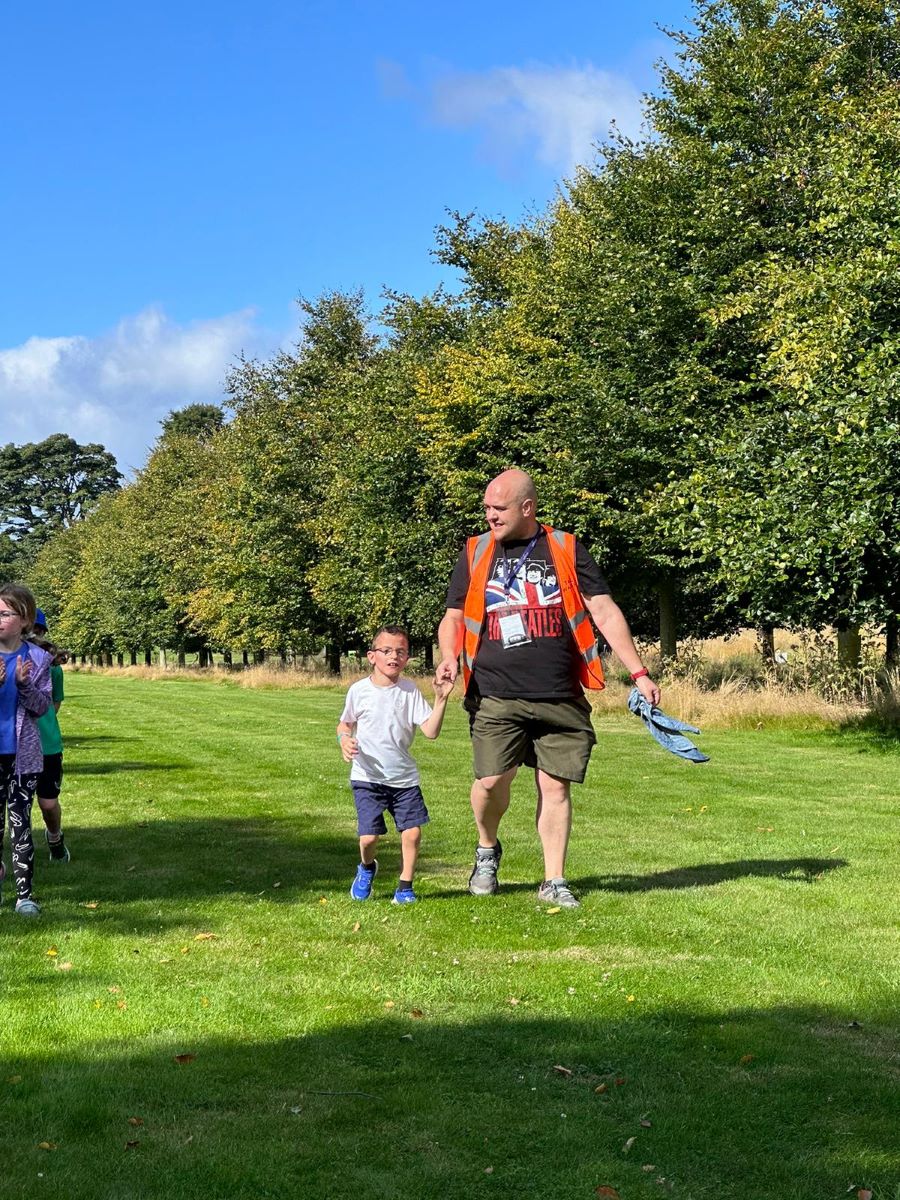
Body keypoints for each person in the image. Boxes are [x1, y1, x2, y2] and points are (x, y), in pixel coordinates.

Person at [436, 469, 660, 909]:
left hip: (560, 692)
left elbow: (604, 610)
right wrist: (449, 656)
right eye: (486, 508)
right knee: (489, 782)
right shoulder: (476, 550)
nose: (490, 516)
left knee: (555, 788)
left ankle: (553, 880)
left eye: (498, 509)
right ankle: (487, 849)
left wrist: (639, 672)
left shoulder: (566, 547)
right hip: (495, 692)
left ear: (527, 508)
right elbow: (454, 616)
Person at [337, 626, 452, 904]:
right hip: (367, 778)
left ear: (407, 657)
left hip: (403, 780)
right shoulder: (359, 690)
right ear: (371, 656)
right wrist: (344, 740)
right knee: (368, 839)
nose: (393, 657)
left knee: (412, 833)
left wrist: (441, 698)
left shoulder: (409, 691)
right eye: (386, 651)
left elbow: (431, 731)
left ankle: (405, 887)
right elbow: (345, 723)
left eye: (400, 652)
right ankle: (366, 868)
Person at [0, 583, 52, 916]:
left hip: (23, 758)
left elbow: (41, 707)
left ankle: (24, 896)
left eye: (4, 614)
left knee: (20, 824)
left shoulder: (38, 659)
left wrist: (23, 685)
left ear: (24, 619)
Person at [31, 610, 70, 864]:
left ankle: (55, 837)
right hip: (14, 745)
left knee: (47, 804)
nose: (33, 634)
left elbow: (55, 704)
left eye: (38, 629)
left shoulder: (53, 668)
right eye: (29, 628)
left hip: (47, 745)